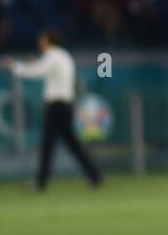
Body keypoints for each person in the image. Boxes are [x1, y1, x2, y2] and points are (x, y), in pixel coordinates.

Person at [6, 30, 102, 190]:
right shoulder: (65, 56)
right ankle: (94, 175)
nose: (40, 43)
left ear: (48, 41)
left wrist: (15, 66)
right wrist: (36, 63)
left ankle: (41, 182)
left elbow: (36, 71)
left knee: (48, 145)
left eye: (42, 40)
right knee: (72, 144)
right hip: (66, 104)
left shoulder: (52, 56)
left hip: (56, 105)